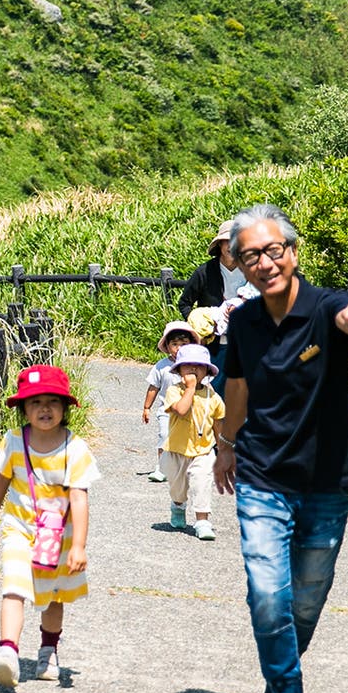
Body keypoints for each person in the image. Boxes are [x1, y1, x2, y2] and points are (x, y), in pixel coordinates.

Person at [213, 203, 348, 693]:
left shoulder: (326, 307)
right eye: (250, 256)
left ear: (293, 251)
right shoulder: (244, 322)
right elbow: (237, 386)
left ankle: (277, 683)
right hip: (262, 472)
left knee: (305, 600)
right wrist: (225, 446)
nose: (264, 263)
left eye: (273, 250)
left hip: (329, 479)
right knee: (266, 592)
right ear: (239, 264)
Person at [0, 364, 99, 689]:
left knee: (53, 597)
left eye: (52, 402)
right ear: (23, 409)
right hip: (19, 528)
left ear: (65, 408)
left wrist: (79, 546)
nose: (44, 409)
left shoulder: (75, 448)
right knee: (14, 586)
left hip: (60, 536)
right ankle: (8, 651)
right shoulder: (13, 442)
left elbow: (79, 498)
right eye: (35, 402)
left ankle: (48, 650)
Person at [159, 344, 225, 540]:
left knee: (202, 480)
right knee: (177, 489)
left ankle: (202, 521)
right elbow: (181, 410)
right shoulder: (175, 391)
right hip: (176, 450)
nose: (194, 369)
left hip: (203, 450)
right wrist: (189, 388)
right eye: (188, 365)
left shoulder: (213, 397)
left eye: (199, 366)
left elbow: (218, 423)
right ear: (179, 370)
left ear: (207, 372)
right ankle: (178, 506)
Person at [141, 320, 198, 481]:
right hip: (167, 411)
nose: (179, 348)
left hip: (190, 412)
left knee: (189, 439)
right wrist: (146, 407)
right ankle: (162, 468)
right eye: (174, 344)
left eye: (184, 344)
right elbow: (154, 387)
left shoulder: (196, 366)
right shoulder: (162, 366)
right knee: (164, 436)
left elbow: (205, 386)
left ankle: (188, 467)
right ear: (167, 346)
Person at [178, 219, 241, 316]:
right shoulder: (204, 272)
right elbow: (184, 303)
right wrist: (197, 320)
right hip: (211, 324)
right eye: (227, 241)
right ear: (219, 243)